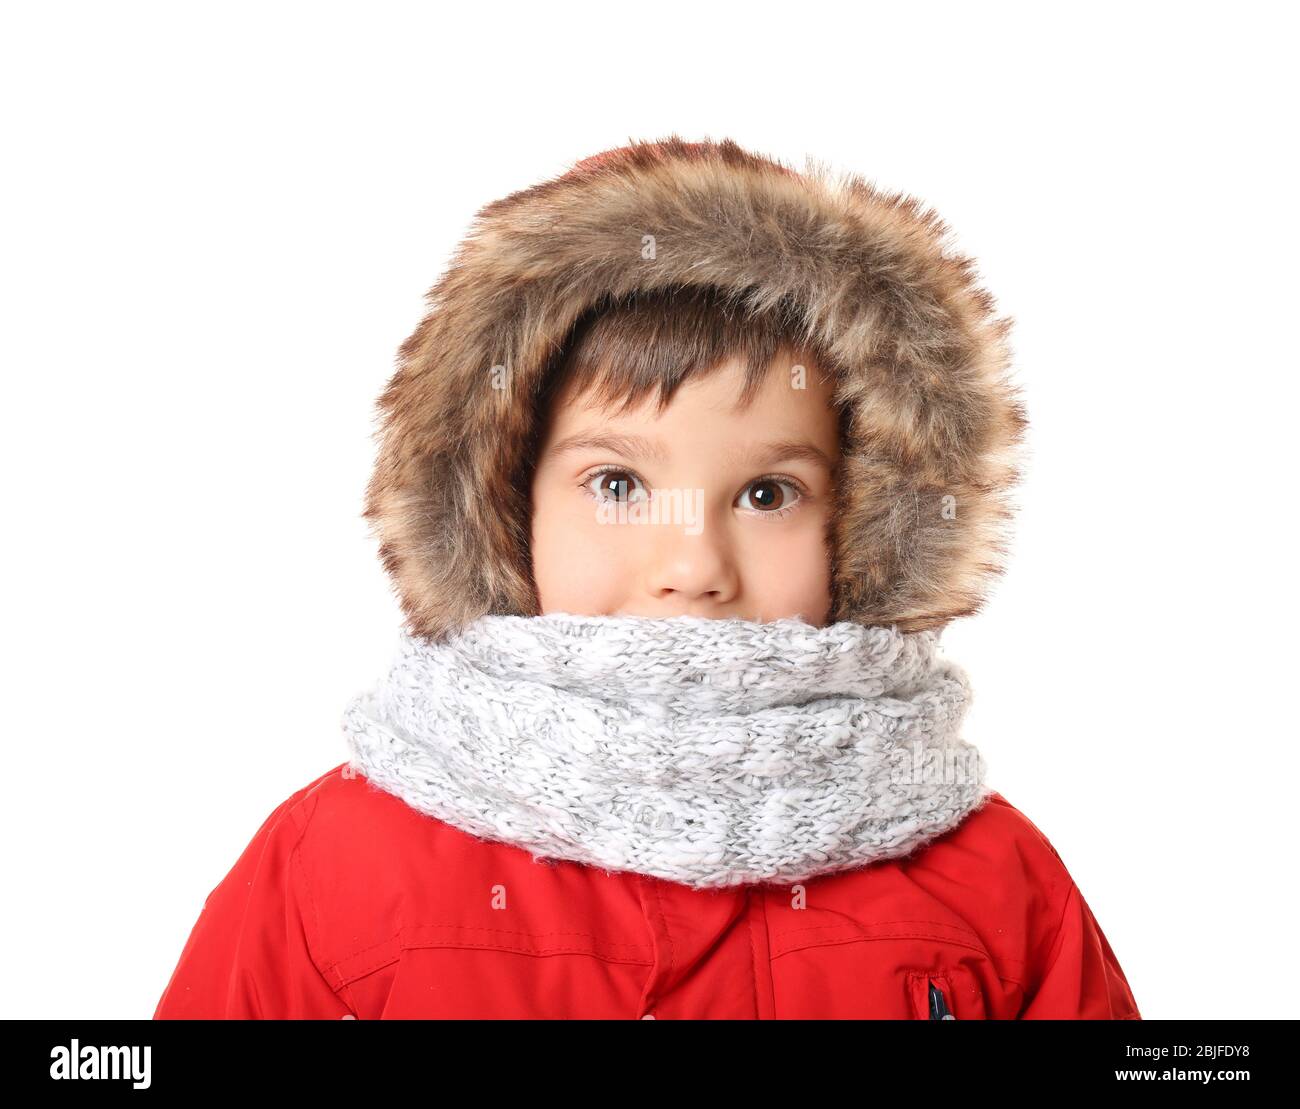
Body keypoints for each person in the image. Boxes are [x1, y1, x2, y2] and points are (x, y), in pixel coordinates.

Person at [154, 136, 1141, 1019]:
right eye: (619, 482)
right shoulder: (337, 869)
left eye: (766, 493)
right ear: (500, 504)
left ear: (865, 517)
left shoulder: (989, 883)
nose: (691, 566)